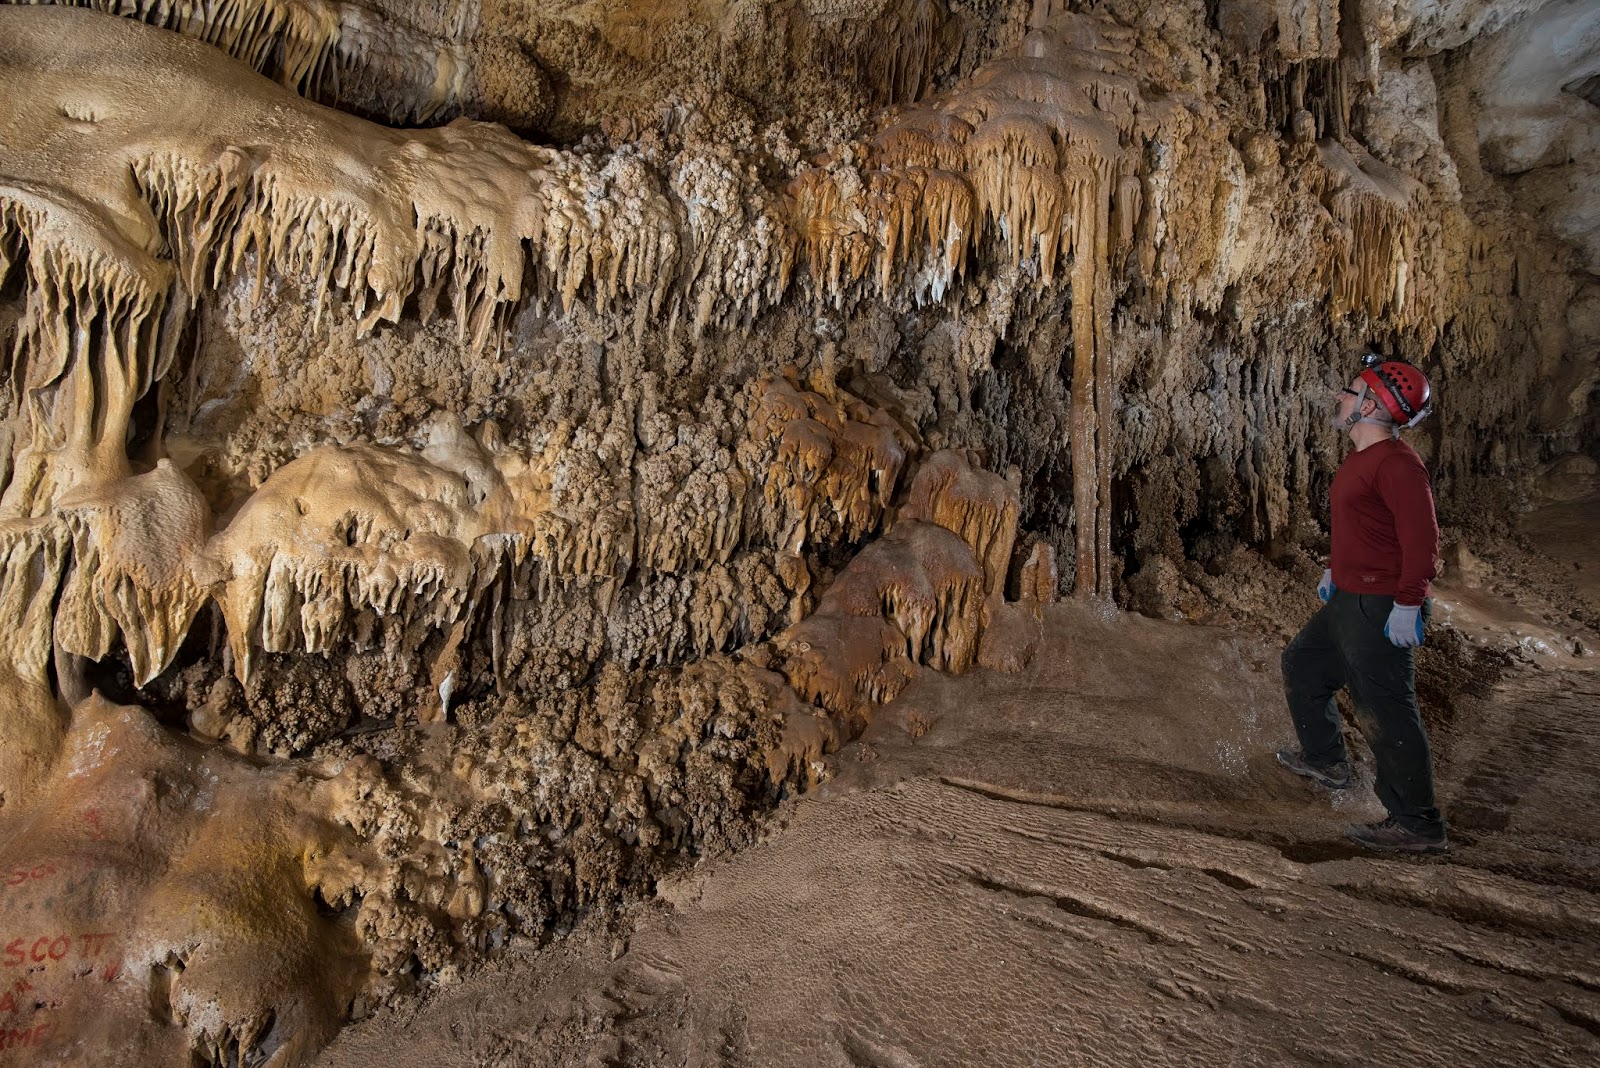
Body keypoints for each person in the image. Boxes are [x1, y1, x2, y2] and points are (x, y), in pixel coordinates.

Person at [1275, 354, 1448, 853]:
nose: (1340, 397)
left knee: (1386, 710)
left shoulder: (1397, 464)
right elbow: (1369, 528)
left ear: (1372, 405)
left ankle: (1417, 822)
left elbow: (1422, 539)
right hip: (1351, 596)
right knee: (1303, 665)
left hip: (1381, 605)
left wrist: (1410, 603)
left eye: (1351, 391)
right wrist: (1338, 569)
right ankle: (1327, 761)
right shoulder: (1363, 459)